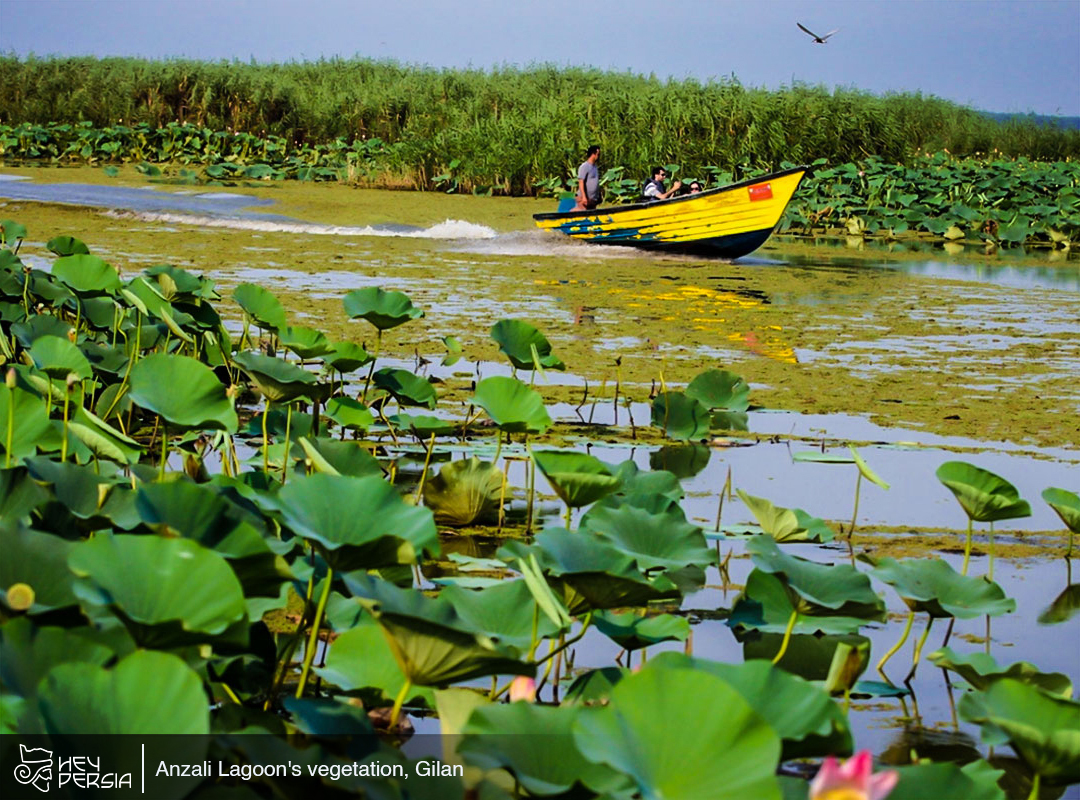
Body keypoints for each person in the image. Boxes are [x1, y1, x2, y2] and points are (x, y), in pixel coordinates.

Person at [574, 145, 601, 210]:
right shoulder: (584, 166)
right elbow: (581, 182)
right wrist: (583, 197)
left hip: (592, 199)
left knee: (592, 217)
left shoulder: (595, 167)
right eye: (598, 154)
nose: (599, 156)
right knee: (580, 214)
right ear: (593, 154)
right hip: (584, 198)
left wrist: (598, 195)